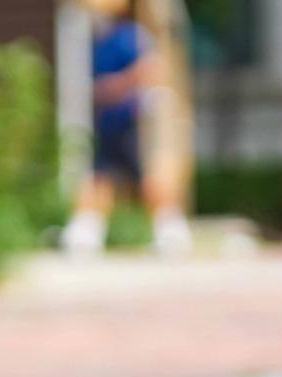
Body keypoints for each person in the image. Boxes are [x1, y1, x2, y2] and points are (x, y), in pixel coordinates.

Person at [60, 0, 193, 256]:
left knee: (147, 176)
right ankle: (85, 232)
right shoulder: (96, 39)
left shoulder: (129, 36)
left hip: (132, 121)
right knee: (101, 177)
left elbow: (153, 69)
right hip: (107, 123)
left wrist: (114, 87)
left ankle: (171, 231)